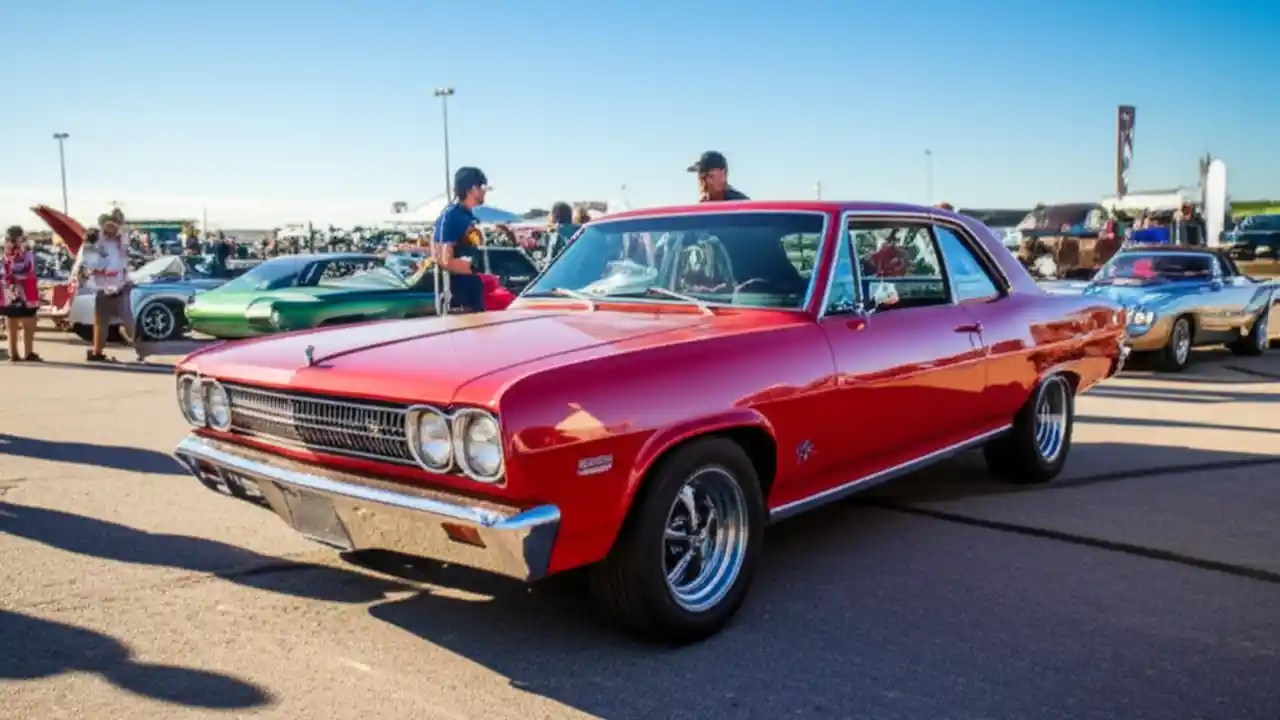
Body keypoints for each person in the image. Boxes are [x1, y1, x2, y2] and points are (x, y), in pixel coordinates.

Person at [72, 213, 136, 362]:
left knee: (128, 320)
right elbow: (88, 263)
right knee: (101, 321)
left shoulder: (121, 241)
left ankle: (140, 350)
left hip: (120, 284)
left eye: (115, 225)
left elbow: (124, 261)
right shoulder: (94, 241)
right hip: (101, 286)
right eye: (109, 225)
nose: (112, 229)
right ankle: (97, 352)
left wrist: (127, 278)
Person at [432, 166, 490, 312]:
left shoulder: (475, 216)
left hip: (477, 294)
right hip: (460, 300)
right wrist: (477, 267)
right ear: (472, 188)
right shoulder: (451, 216)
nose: (485, 191)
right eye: (482, 186)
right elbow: (444, 259)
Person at [2, 226, 42, 363]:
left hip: (8, 288)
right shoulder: (26, 252)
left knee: (11, 319)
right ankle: (28, 352)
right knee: (29, 319)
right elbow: (29, 268)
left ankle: (13, 353)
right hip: (26, 289)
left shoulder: (4, 252)